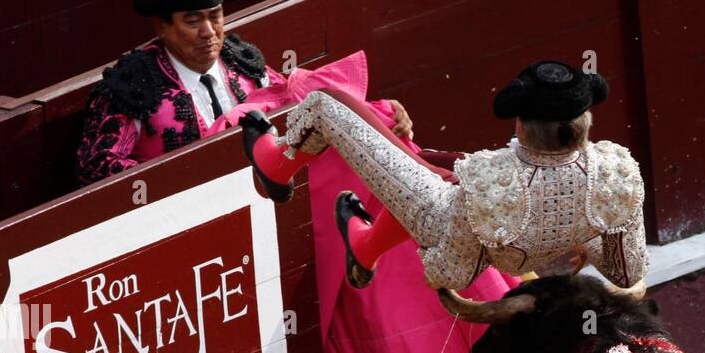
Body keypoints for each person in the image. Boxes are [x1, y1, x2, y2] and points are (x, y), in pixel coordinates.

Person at [241, 59, 648, 292]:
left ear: (520, 127)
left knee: (324, 102)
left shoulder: (485, 181)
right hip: (513, 233)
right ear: (586, 122)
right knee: (430, 167)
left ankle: (277, 167)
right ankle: (364, 248)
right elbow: (627, 271)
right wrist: (583, 236)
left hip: (441, 221)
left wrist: (455, 215)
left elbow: (448, 274)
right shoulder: (618, 171)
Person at [76, 0, 414, 183]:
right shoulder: (131, 87)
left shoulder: (242, 62)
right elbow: (95, 168)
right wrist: (180, 176)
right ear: (162, 27)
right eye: (192, 21)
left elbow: (306, 108)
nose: (209, 31)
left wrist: (376, 116)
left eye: (216, 15)